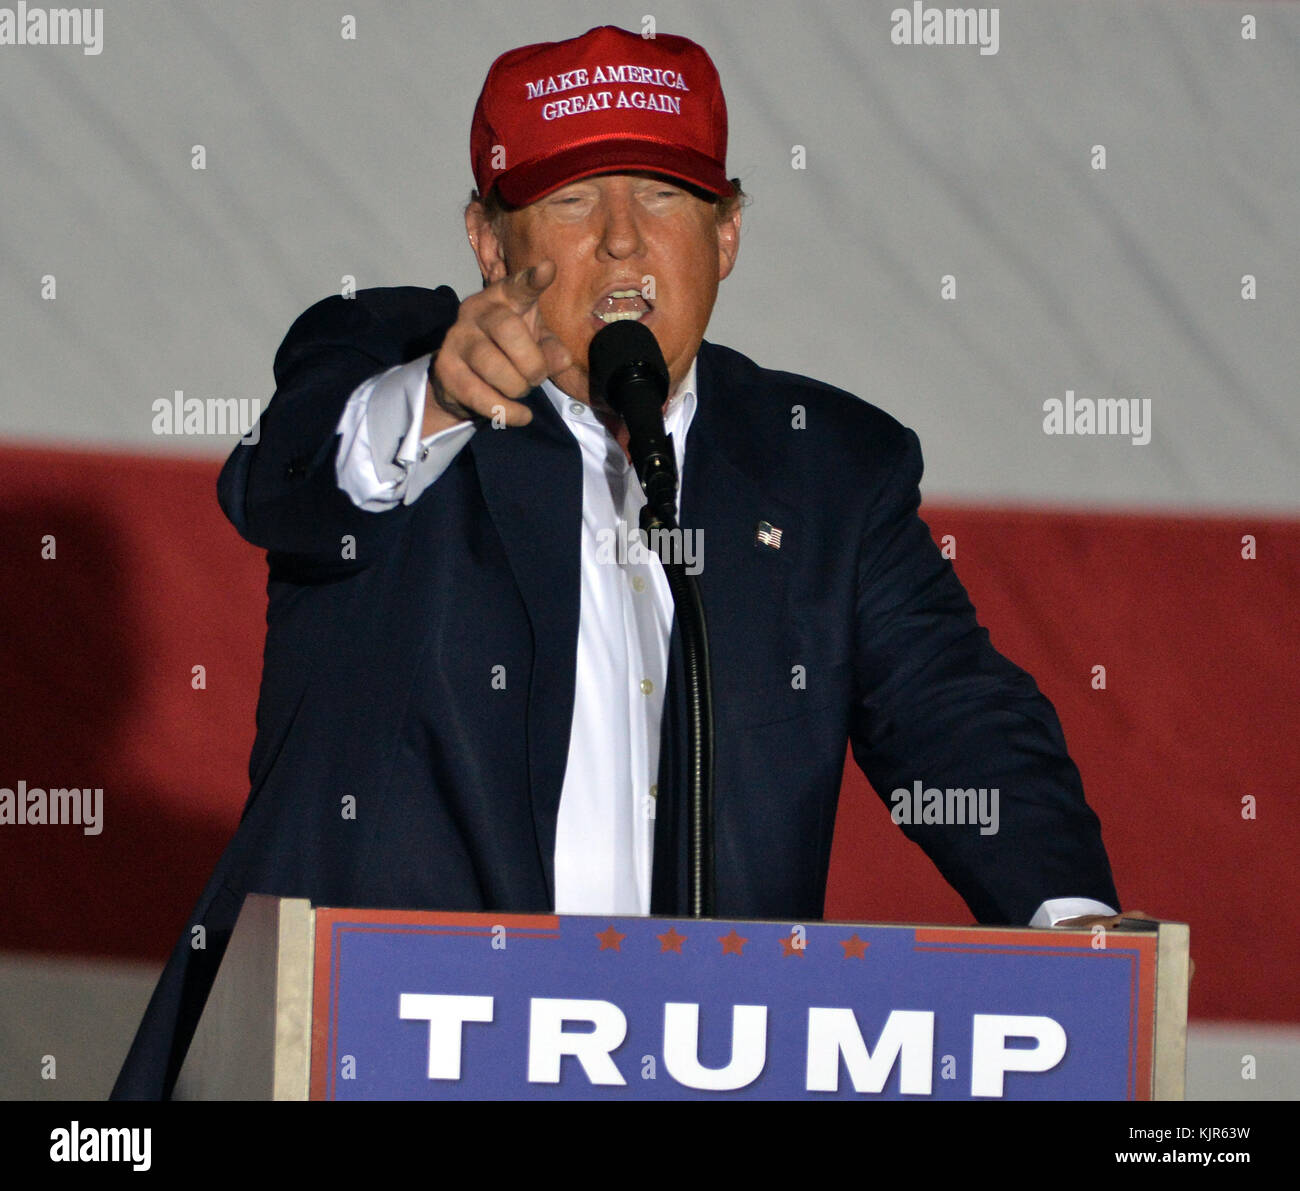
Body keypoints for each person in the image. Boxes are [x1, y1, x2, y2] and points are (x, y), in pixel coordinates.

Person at [112, 24, 1120, 1101]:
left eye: (666, 198)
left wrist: (1079, 936)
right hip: (379, 1057)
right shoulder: (389, 362)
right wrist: (438, 398)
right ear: (491, 244)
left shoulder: (823, 470)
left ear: (727, 235)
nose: (626, 243)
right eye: (574, 201)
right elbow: (291, 480)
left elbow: (953, 719)